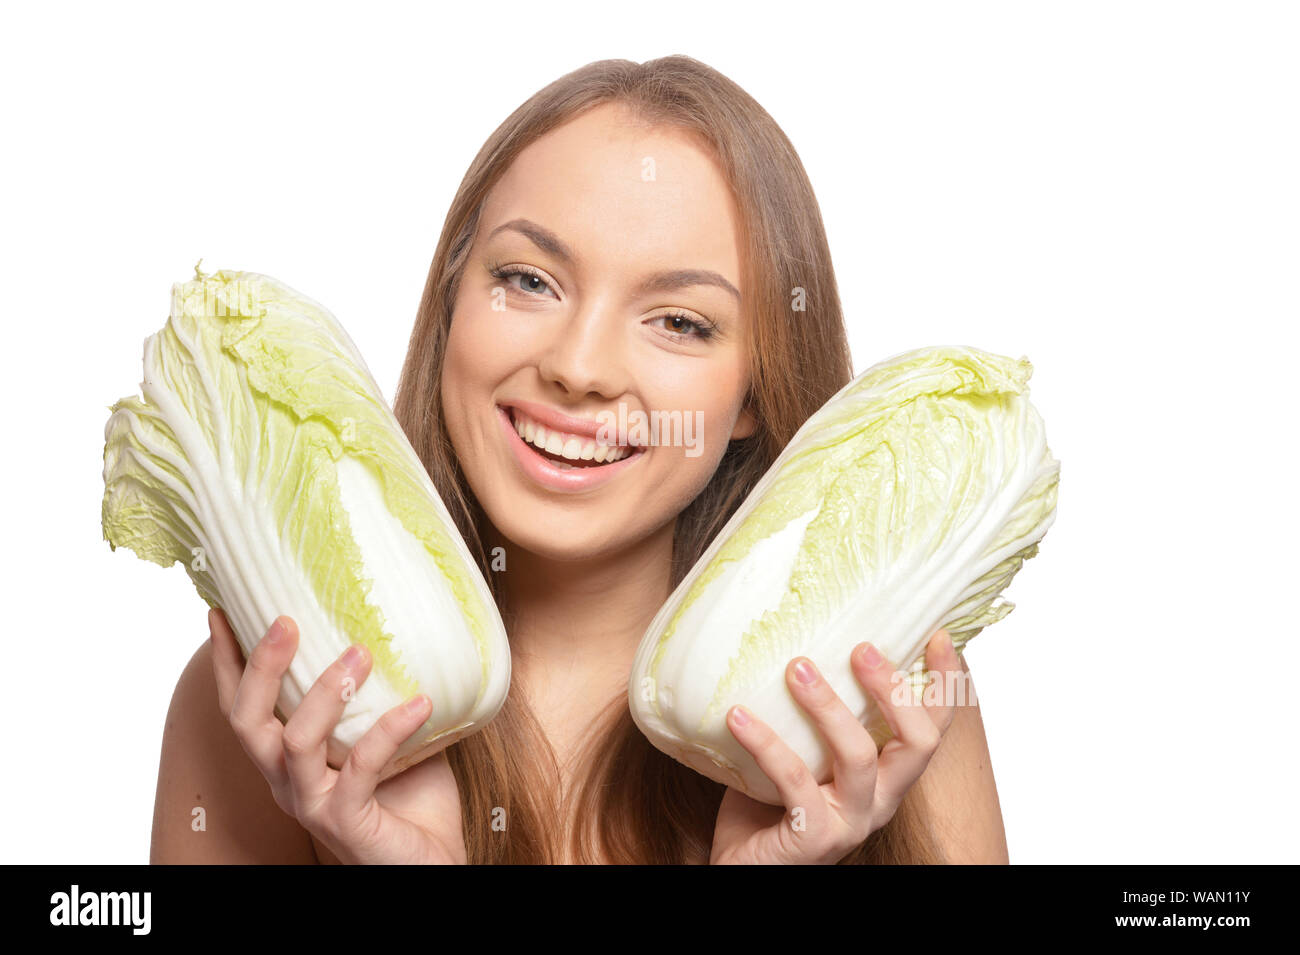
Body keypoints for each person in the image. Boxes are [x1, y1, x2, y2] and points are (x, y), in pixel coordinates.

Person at [151, 55, 1009, 865]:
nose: (580, 367)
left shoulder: (878, 698)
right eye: (528, 279)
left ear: (754, 392)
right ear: (453, 303)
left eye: (680, 321)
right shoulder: (284, 692)